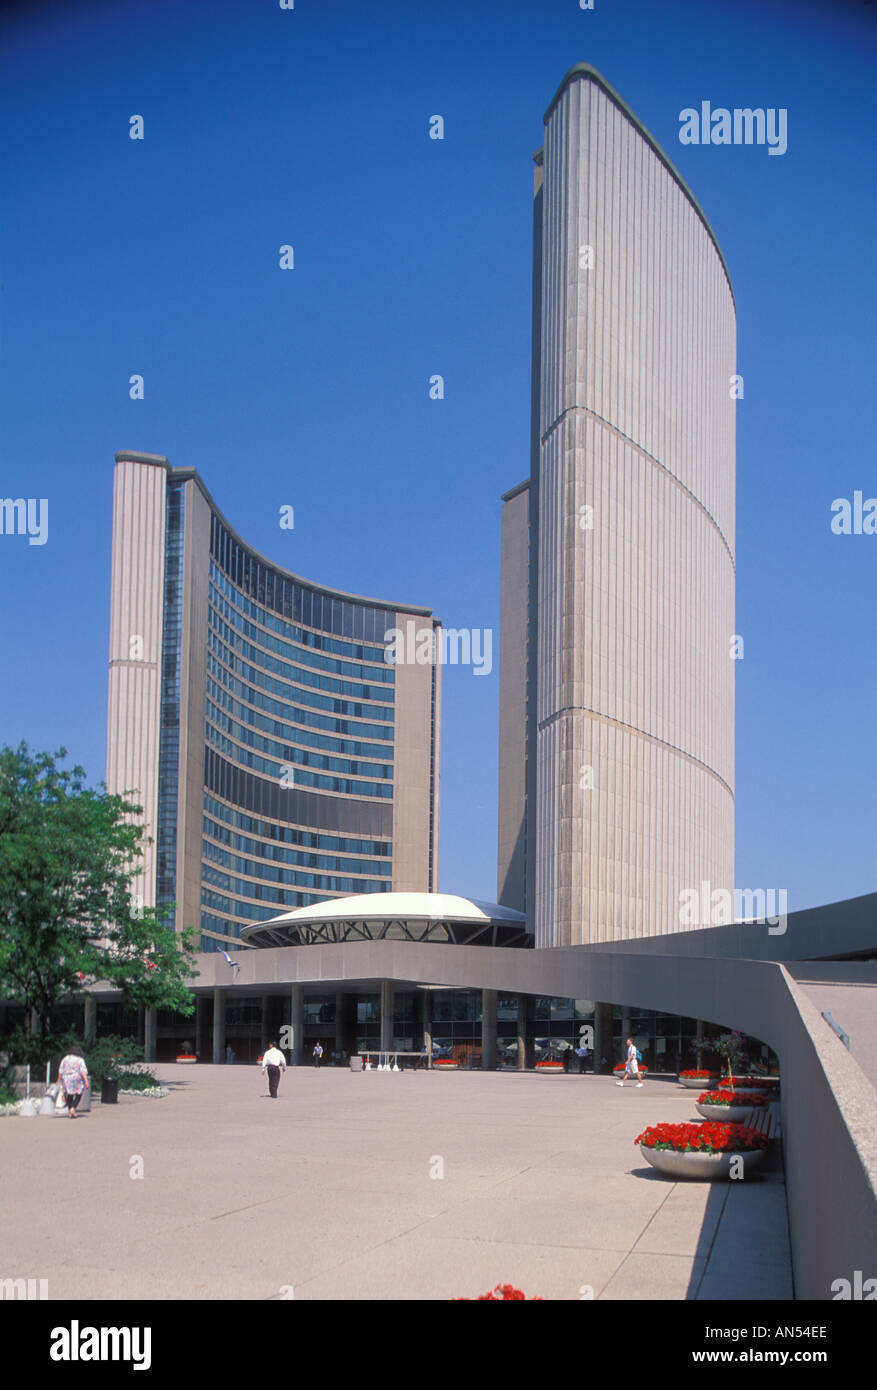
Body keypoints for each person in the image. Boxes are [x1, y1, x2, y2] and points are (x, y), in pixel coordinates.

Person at [57, 1048, 90, 1119]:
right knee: (79, 1094)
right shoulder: (80, 1060)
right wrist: (86, 1081)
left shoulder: (65, 1058)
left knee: (70, 1094)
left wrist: (58, 1080)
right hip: (77, 1078)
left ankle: (71, 1110)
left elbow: (61, 1070)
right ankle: (73, 1108)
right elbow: (83, 1071)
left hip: (66, 1078)